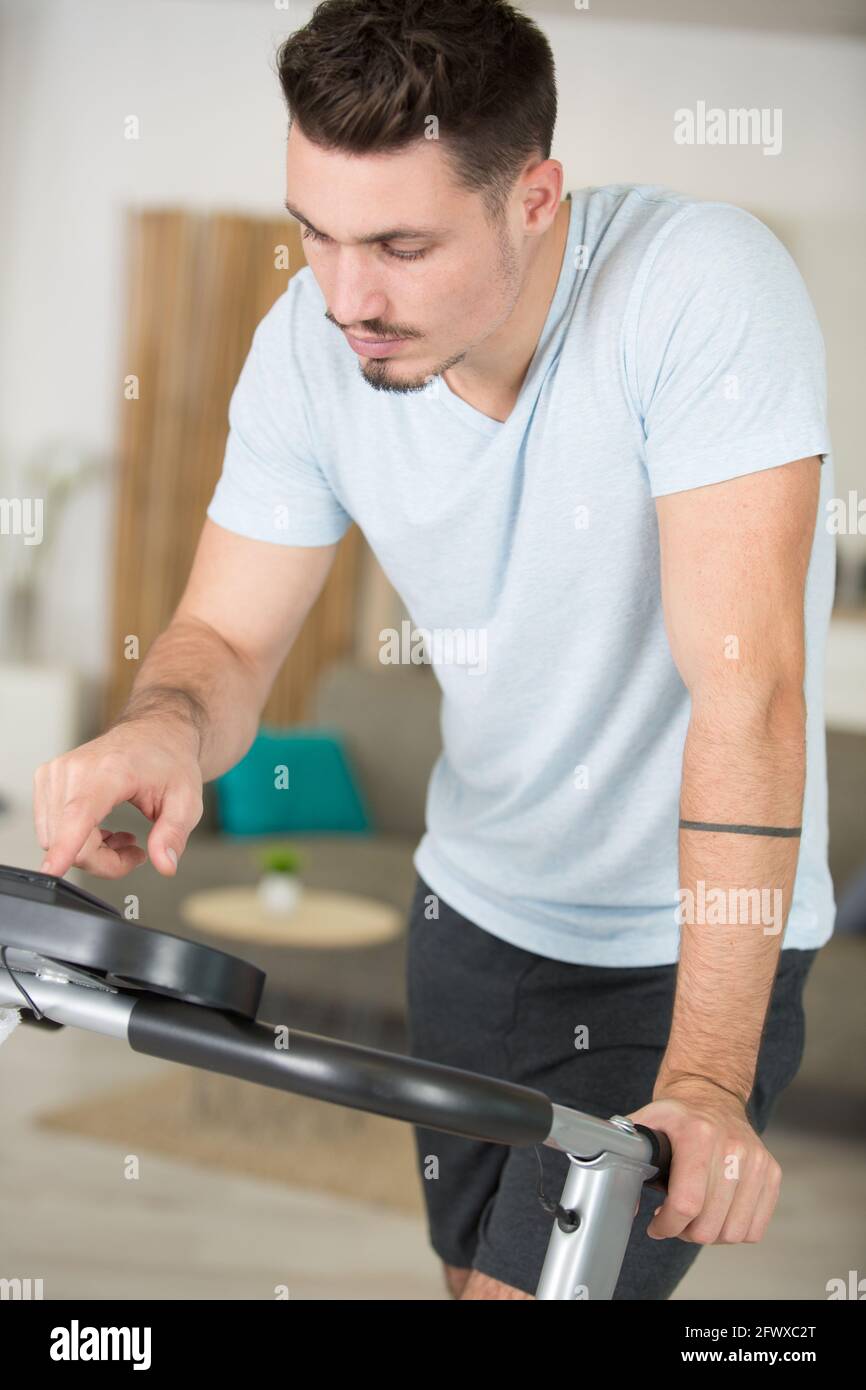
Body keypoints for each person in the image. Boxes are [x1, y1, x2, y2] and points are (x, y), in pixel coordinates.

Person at [33, 0, 833, 1300]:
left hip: (674, 945)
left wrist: (702, 1075)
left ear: (533, 196)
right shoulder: (310, 344)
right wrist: (162, 727)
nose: (348, 296)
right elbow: (226, 635)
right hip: (469, 912)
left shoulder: (698, 285)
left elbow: (746, 690)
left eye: (401, 244)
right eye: (317, 233)